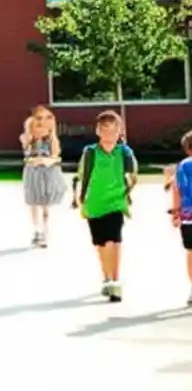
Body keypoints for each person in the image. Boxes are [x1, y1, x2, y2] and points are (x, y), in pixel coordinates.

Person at [76, 110, 138, 303]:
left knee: (114, 240)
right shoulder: (90, 152)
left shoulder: (125, 152)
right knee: (101, 244)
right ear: (98, 131)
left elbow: (132, 174)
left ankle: (115, 281)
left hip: (116, 202)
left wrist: (128, 188)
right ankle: (107, 277)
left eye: (114, 130)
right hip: (94, 203)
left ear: (120, 131)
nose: (110, 134)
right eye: (105, 129)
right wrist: (80, 197)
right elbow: (83, 175)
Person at [20, 105, 67, 248]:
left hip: (48, 173)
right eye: (38, 124)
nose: (41, 129)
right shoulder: (28, 138)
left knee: (46, 205)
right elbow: (26, 152)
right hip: (33, 172)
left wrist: (47, 161)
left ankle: (45, 231)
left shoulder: (51, 140)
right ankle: (37, 230)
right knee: (34, 202)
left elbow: (56, 157)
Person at [168, 131, 192, 306]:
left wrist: (176, 213)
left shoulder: (182, 166)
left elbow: (177, 190)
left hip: (188, 216)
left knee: (191, 252)